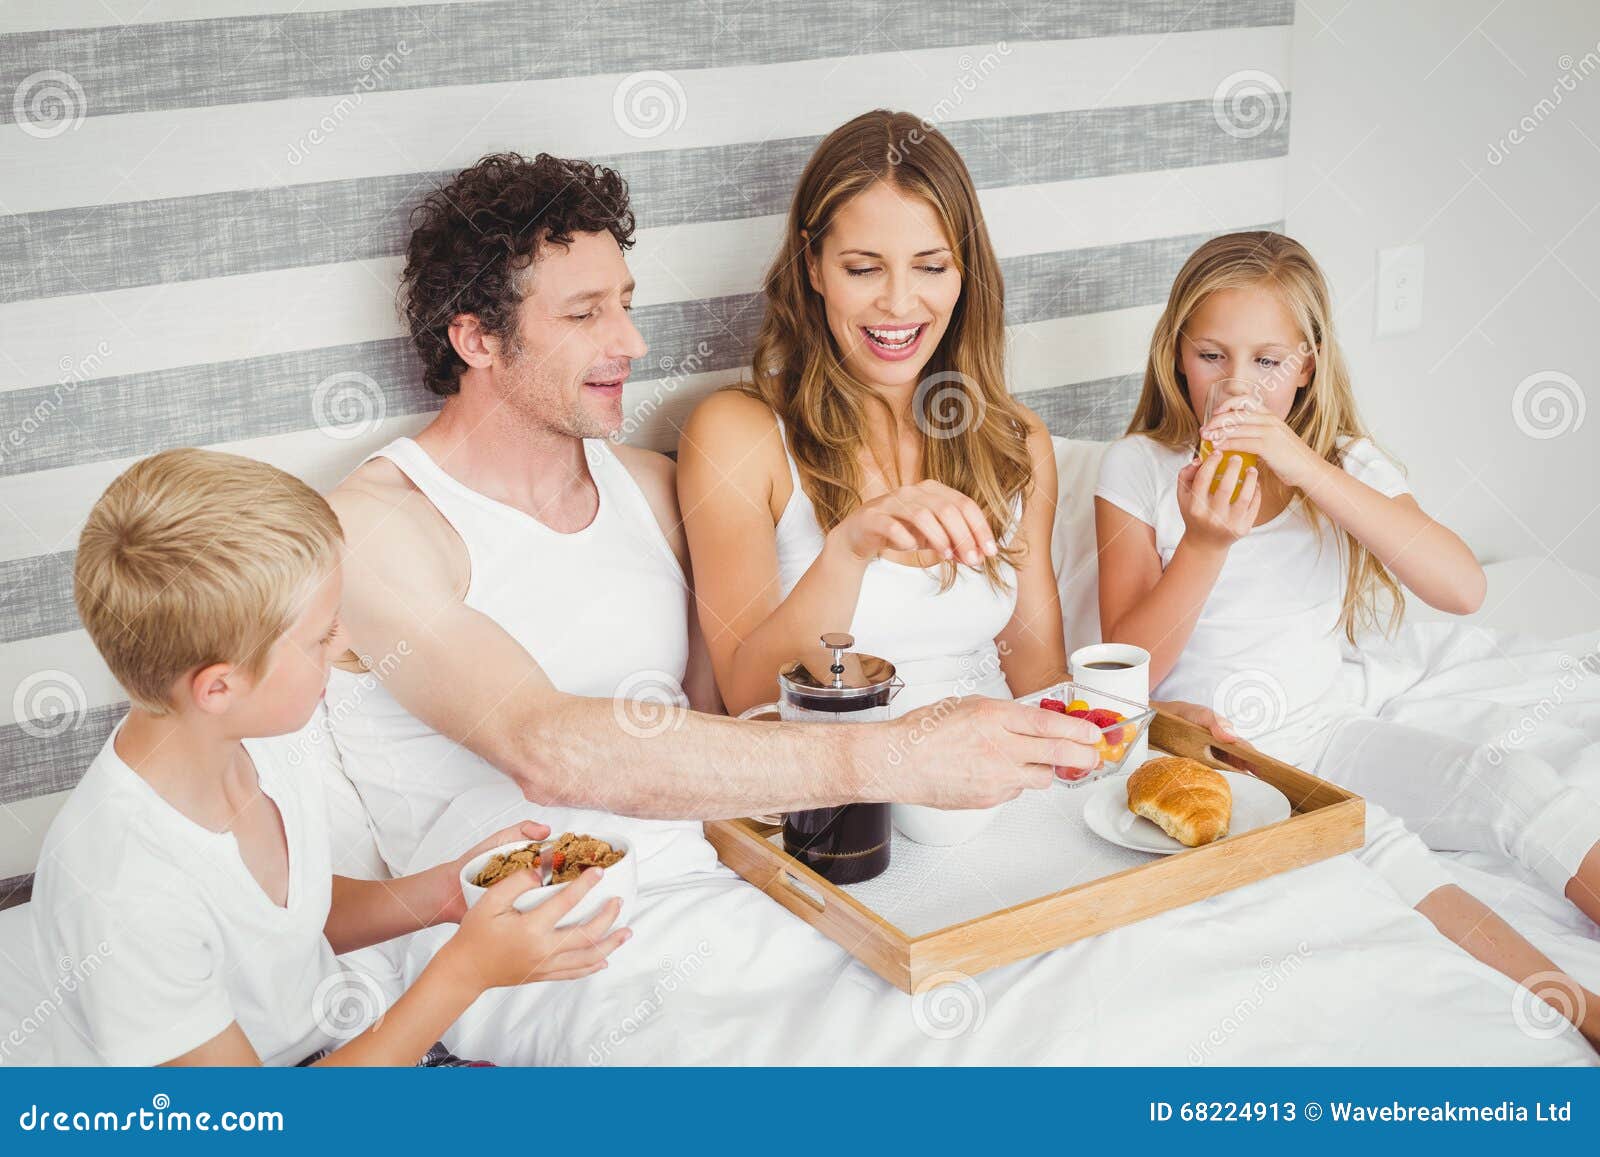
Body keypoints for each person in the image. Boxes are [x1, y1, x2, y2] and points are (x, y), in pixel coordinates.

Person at [321, 151, 1102, 881]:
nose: (634, 341)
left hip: (710, 882)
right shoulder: (370, 527)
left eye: (626, 304)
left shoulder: (650, 491)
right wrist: (893, 760)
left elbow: (739, 722)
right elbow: (543, 746)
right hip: (525, 920)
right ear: (476, 339)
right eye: (585, 314)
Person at [1093, 230, 1600, 1042]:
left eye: (1267, 361)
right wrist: (1205, 544)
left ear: (1307, 365)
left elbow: (1462, 588)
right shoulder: (1140, 467)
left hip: (1331, 728)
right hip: (1230, 755)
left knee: (1512, 782)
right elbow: (1130, 670)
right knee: (1385, 851)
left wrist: (1305, 467)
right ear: (1177, 355)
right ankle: (1582, 1011)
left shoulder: (1341, 464)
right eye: (1212, 356)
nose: (1236, 385)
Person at [678, 110, 1230, 844]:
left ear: (965, 272)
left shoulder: (1012, 441)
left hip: (1006, 807)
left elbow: (1036, 682)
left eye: (931, 267)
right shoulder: (739, 433)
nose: (899, 303)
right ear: (812, 267)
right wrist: (849, 549)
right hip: (844, 825)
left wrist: (1135, 723)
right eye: (863, 268)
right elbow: (746, 703)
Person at [30, 449, 628, 1066]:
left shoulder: (255, 737)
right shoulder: (125, 889)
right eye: (319, 637)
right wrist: (464, 973)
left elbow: (284, 922)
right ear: (219, 687)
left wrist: (445, 892)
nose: (342, 641)